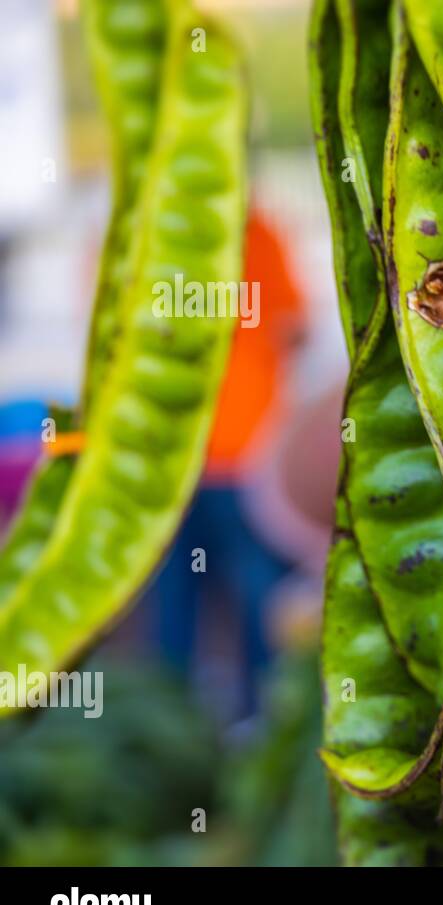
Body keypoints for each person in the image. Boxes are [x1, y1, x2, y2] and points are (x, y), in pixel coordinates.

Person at [150, 208, 306, 719]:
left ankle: (173, 724)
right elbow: (294, 329)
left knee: (176, 602)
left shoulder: (146, 229)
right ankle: (259, 720)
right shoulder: (257, 230)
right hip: (242, 453)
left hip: (173, 458)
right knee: (254, 596)